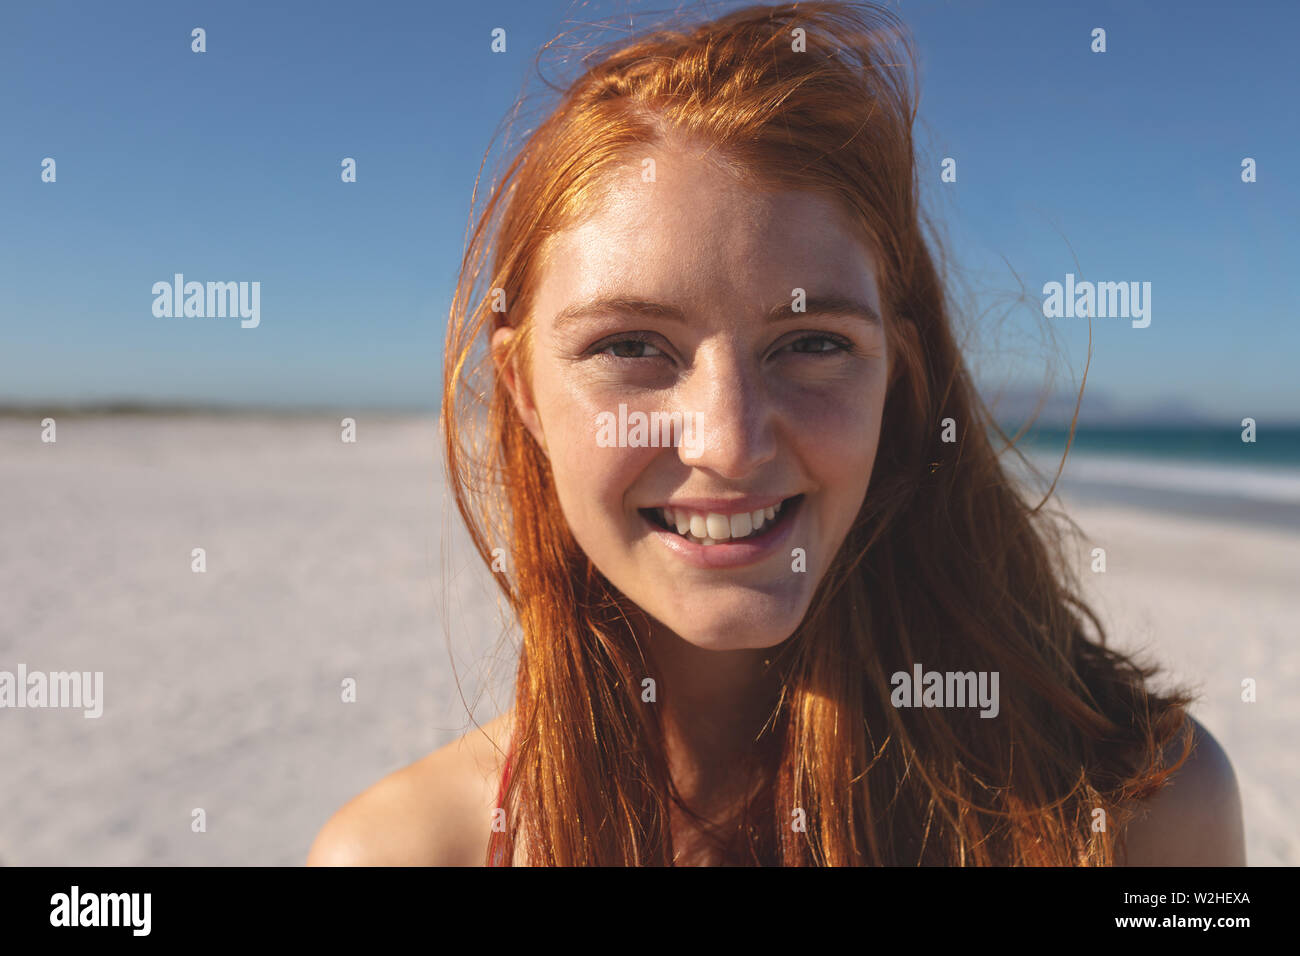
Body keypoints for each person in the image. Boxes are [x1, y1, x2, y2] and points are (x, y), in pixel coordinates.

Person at [308, 1, 1244, 866]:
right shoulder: (403, 853)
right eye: (632, 345)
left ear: (898, 377)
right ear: (522, 393)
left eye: (811, 343)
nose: (730, 441)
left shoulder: (1143, 809)